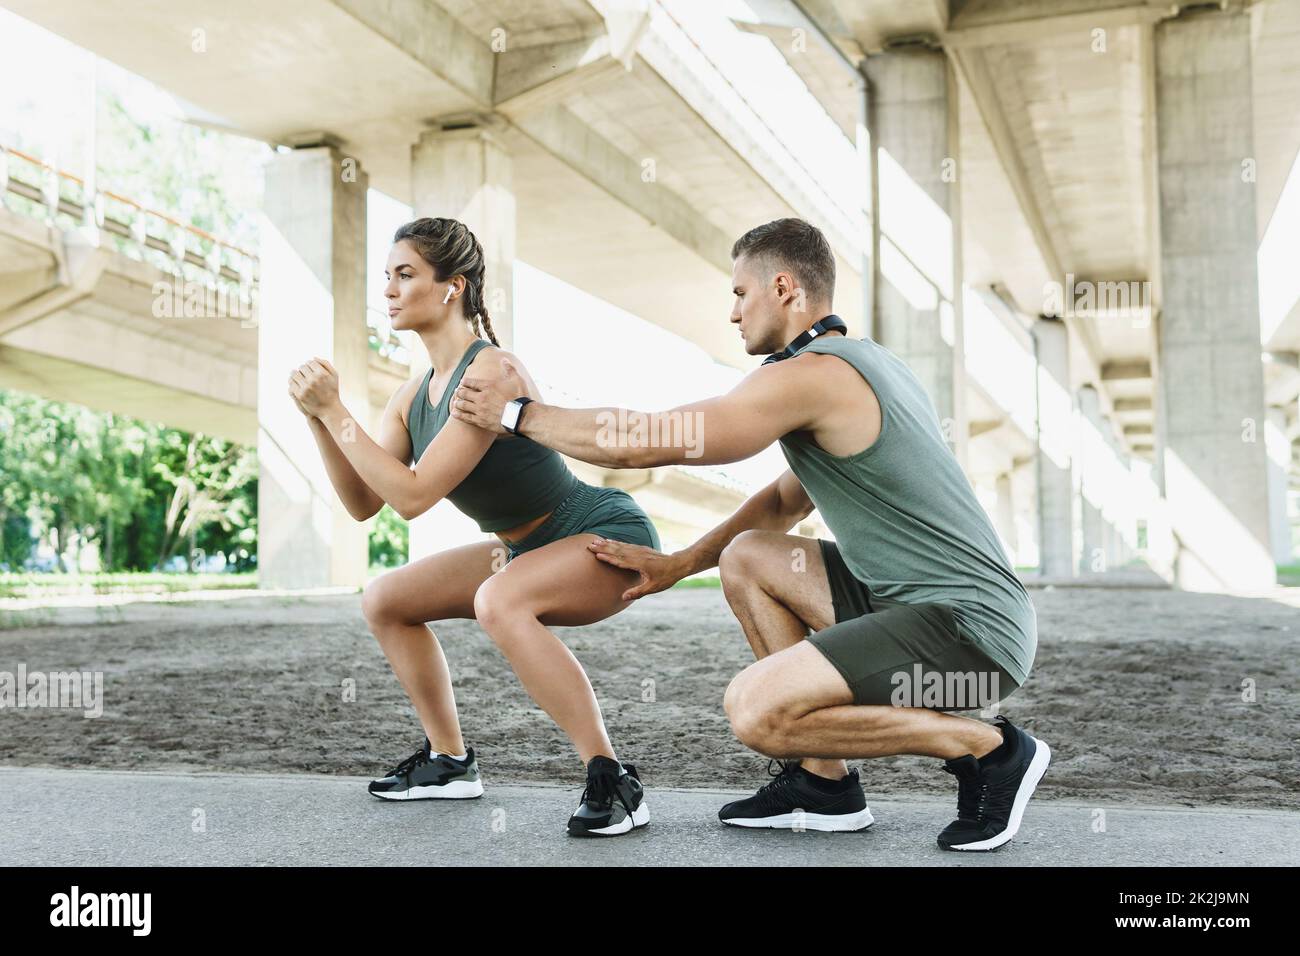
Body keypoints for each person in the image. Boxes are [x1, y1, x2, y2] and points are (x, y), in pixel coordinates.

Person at [450, 217, 1050, 851]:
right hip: (919, 607)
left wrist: (516, 415)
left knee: (758, 712)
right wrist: (678, 564)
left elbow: (654, 441)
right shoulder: (864, 364)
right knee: (748, 557)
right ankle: (824, 787)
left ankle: (990, 749)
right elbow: (781, 502)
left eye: (740, 293)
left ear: (784, 287)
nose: (734, 314)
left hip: (974, 642)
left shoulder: (811, 376)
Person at [287, 217, 658, 837]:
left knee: (499, 601)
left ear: (452, 286)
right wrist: (317, 420)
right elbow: (362, 502)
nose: (390, 290)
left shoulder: (491, 375)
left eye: (406, 275)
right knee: (386, 600)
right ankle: (449, 762)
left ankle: (612, 778)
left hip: (599, 533)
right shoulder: (410, 398)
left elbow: (411, 497)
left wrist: (334, 409)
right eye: (387, 277)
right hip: (518, 549)